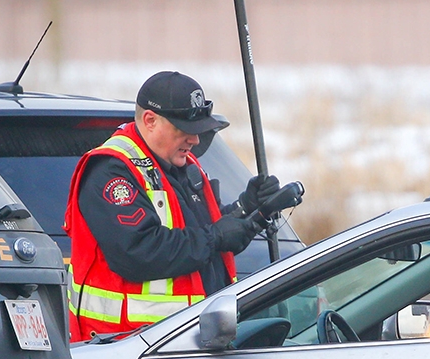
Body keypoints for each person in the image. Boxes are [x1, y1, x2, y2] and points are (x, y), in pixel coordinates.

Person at [64, 71, 278, 340]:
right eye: (184, 129)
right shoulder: (111, 171)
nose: (195, 140)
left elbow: (201, 233)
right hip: (128, 346)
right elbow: (139, 251)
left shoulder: (180, 163)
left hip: (183, 340)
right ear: (150, 120)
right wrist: (216, 237)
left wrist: (247, 208)